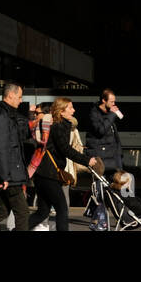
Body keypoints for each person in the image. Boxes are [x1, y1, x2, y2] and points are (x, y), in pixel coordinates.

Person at [28, 98, 96, 232]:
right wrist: (86, 160)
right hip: (49, 174)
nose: (74, 110)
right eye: (70, 108)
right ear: (62, 111)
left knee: (42, 212)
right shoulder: (59, 126)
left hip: (43, 173)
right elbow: (65, 149)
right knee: (62, 209)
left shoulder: (60, 124)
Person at [0, 81, 35, 231]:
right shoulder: (1, 116)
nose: (21, 100)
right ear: (10, 95)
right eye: (19, 97)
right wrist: (4, 176)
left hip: (11, 172)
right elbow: (0, 148)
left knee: (2, 210)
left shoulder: (8, 114)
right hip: (9, 175)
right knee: (22, 213)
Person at [85, 89, 124, 174]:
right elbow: (100, 130)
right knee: (101, 183)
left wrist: (119, 152)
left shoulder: (109, 113)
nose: (114, 104)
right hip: (101, 155)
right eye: (111, 102)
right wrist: (112, 115)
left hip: (113, 154)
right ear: (103, 100)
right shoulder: (94, 114)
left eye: (114, 101)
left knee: (118, 182)